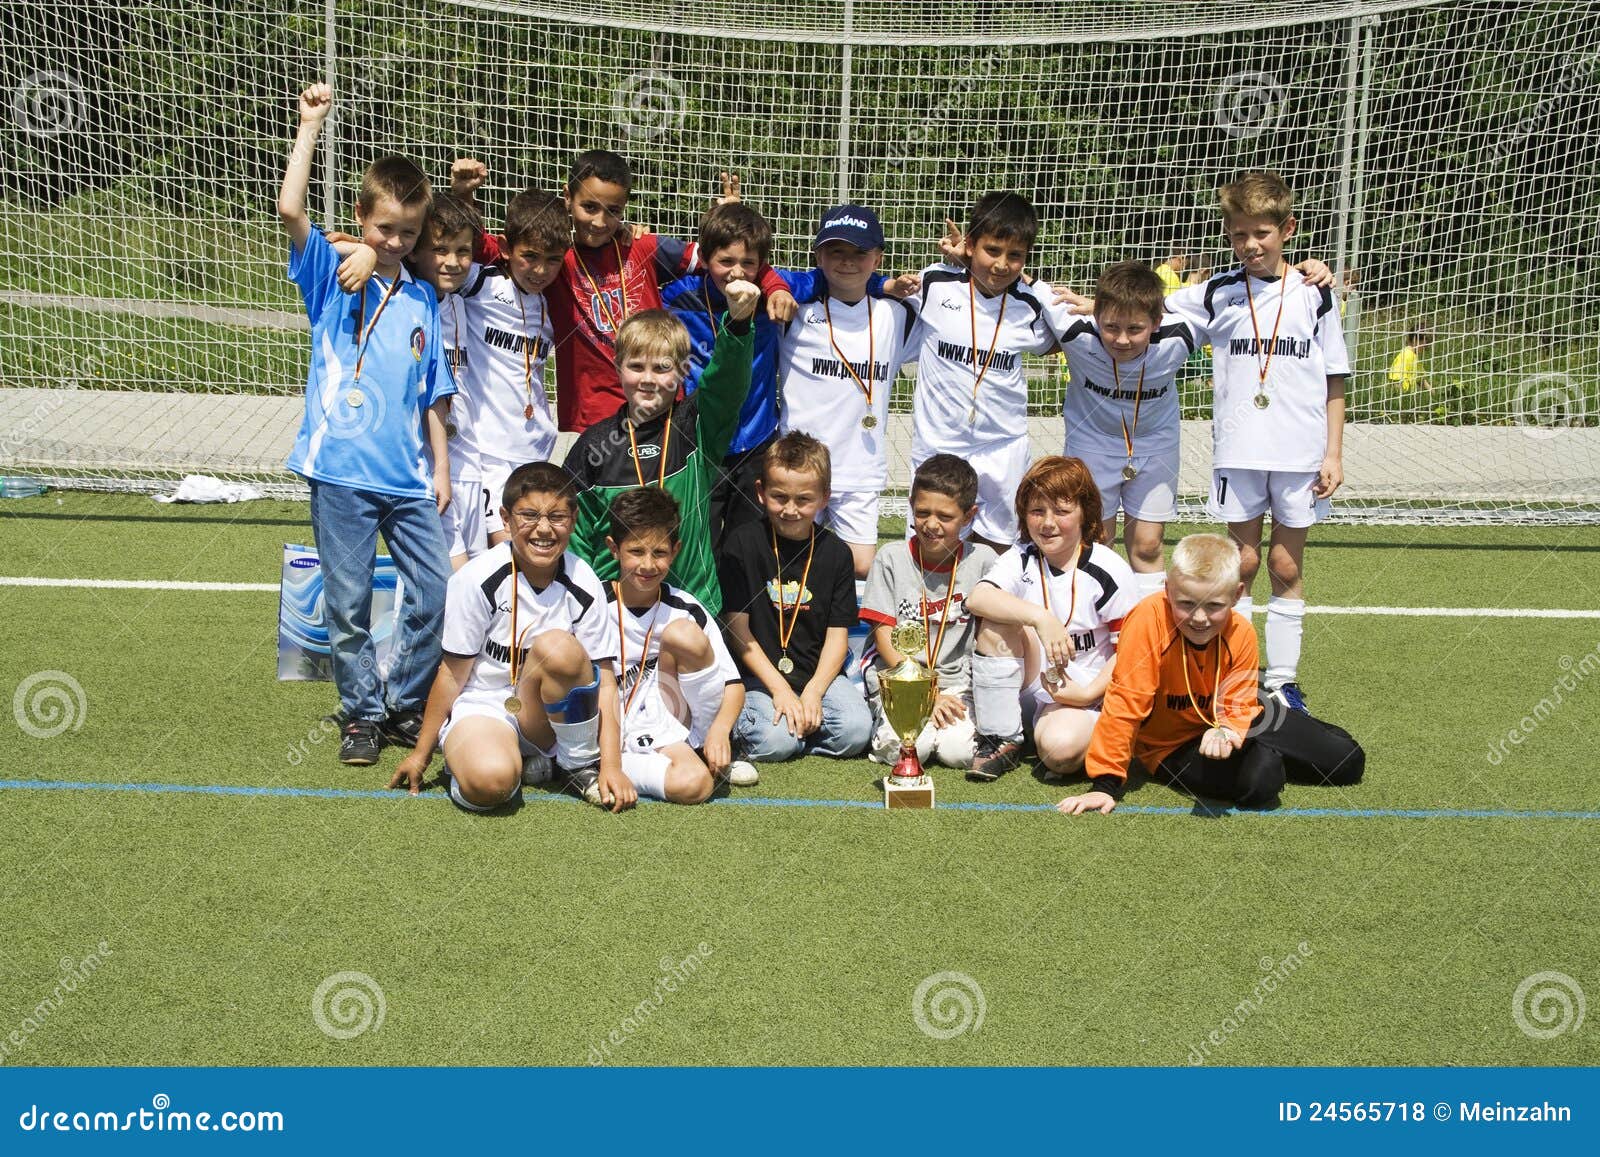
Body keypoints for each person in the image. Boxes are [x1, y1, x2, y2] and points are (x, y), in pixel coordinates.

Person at [276, 82, 453, 766]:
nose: (395, 242)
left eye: (408, 232)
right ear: (360, 217)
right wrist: (311, 126)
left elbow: (433, 392)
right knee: (348, 606)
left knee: (434, 591)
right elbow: (290, 208)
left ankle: (404, 702)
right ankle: (360, 714)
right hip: (342, 473)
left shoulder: (422, 296)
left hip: (407, 478)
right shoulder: (331, 271)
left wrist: (438, 467)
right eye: (384, 230)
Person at [1165, 171, 1350, 713]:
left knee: (1287, 568)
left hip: (1300, 456)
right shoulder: (1217, 291)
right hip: (1239, 453)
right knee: (1241, 565)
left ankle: (1283, 680)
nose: (1251, 244)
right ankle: (1238, 670)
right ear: (1228, 236)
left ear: (1287, 229)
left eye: (1262, 233)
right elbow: (1148, 309)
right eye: (1240, 234)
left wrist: (1334, 453)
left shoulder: (1315, 295)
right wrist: (1096, 304)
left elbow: (1334, 378)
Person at [661, 202, 913, 551]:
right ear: (704, 258)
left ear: (763, 266)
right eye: (726, 262)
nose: (737, 273)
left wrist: (882, 284)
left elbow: (831, 275)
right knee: (695, 544)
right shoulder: (677, 296)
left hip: (755, 441)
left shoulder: (777, 292)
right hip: (698, 440)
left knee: (750, 547)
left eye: (749, 263)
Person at [1056, 533, 1364, 814]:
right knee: (1262, 781)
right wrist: (1105, 784)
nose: (1200, 618)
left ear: (1236, 595)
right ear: (1167, 590)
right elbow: (1126, 703)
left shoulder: (1240, 631)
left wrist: (1228, 730)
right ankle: (1270, 752)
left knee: (1348, 762)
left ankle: (1278, 743)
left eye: (1214, 605)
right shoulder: (1147, 622)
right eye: (1186, 603)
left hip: (1232, 719)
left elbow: (1239, 702)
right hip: (1172, 745)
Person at [389, 462, 635, 813]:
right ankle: (486, 759)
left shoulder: (584, 581)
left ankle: (576, 764)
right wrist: (421, 754)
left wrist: (611, 765)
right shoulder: (475, 579)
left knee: (558, 647)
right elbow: (451, 673)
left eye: (558, 517)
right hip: (486, 706)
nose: (544, 530)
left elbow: (607, 682)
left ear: (574, 519)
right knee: (491, 785)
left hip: (544, 717)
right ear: (505, 519)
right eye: (529, 515)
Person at [562, 275, 760, 614]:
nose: (649, 379)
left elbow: (726, 380)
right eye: (636, 367)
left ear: (681, 373)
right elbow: (576, 541)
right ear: (618, 367)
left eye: (662, 368)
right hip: (614, 610)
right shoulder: (594, 445)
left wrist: (738, 324)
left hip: (690, 605)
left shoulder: (697, 426)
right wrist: (586, 606)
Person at [964, 456, 1138, 782]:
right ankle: (1002, 737)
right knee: (996, 622)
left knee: (1059, 751)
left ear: (1085, 512)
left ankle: (1096, 731)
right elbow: (979, 598)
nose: (1048, 523)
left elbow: (1131, 652)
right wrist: (1041, 618)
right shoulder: (1021, 556)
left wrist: (1088, 694)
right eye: (1037, 511)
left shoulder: (1108, 569)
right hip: (1031, 683)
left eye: (1061, 511)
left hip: (1083, 693)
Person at [908, 192, 1062, 551]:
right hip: (939, 441)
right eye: (991, 250)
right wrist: (958, 261)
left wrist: (1036, 284)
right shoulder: (934, 284)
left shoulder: (1029, 305)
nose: (1001, 265)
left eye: (1015, 256)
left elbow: (1060, 339)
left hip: (1003, 443)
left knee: (1001, 545)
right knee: (934, 542)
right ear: (971, 246)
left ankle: (989, 608)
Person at [777, 204, 920, 578]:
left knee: (860, 565)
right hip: (800, 465)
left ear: (878, 259)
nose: (847, 262)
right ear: (818, 256)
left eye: (859, 253)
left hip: (859, 466)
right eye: (836, 251)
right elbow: (765, 275)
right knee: (788, 565)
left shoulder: (897, 314)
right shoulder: (796, 309)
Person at [1046, 261, 1202, 597]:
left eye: (1135, 328)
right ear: (1096, 316)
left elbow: (1232, 296)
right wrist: (966, 256)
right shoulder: (1074, 330)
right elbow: (1021, 282)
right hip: (1091, 445)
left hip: (1155, 445)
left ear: (1156, 323)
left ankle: (1147, 631)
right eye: (1111, 326)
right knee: (1095, 542)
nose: (1122, 339)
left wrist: (1299, 272)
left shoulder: (1180, 336)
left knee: (1147, 546)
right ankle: (1094, 631)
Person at [718, 432, 873, 763]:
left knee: (856, 732)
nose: (790, 509)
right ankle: (785, 728)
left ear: (824, 498)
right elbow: (737, 630)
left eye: (803, 500)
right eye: (779, 497)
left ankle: (798, 726)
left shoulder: (836, 553)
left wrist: (815, 691)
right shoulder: (741, 544)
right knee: (776, 743)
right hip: (759, 679)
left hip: (817, 676)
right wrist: (780, 690)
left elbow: (837, 635)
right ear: (761, 492)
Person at [603, 487, 755, 800]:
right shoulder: (591, 605)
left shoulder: (686, 608)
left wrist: (720, 731)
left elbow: (733, 685)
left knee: (695, 786)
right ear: (614, 549)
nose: (647, 565)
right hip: (605, 725)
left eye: (659, 553)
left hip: (664, 727)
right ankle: (598, 763)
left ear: (675, 551)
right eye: (636, 551)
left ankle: (700, 747)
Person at [860, 454, 996, 769]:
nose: (931, 525)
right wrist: (926, 694)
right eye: (922, 513)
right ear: (910, 504)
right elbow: (884, 637)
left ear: (969, 515)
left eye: (945, 517)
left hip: (956, 683)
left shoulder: (983, 561)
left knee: (957, 754)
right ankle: (887, 724)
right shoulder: (891, 558)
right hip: (900, 680)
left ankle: (952, 723)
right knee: (911, 751)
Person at [457, 188, 569, 548]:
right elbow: (435, 252)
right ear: (506, 247)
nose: (540, 270)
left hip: (535, 447)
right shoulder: (480, 283)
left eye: (552, 260)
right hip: (487, 449)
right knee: (503, 550)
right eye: (530, 256)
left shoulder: (553, 303)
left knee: (532, 550)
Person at [1388, 328, 1431, 393]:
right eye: (1424, 344)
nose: (1425, 347)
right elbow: (1395, 381)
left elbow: (1421, 379)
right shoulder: (1406, 355)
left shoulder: (1412, 355)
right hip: (1404, 394)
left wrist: (1432, 392)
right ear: (1415, 340)